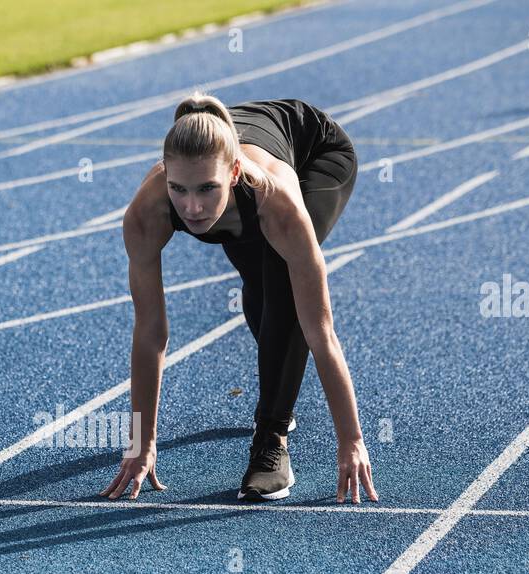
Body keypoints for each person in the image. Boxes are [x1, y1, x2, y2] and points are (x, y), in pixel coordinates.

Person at [100, 91, 378, 504]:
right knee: (259, 287)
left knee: (283, 286)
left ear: (231, 174)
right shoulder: (147, 212)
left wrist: (351, 440)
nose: (192, 208)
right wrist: (142, 442)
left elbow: (321, 334)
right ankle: (280, 393)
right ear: (164, 175)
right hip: (243, 174)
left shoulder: (276, 202)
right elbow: (150, 333)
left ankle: (272, 438)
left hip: (316, 153)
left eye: (206, 189)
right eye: (179, 188)